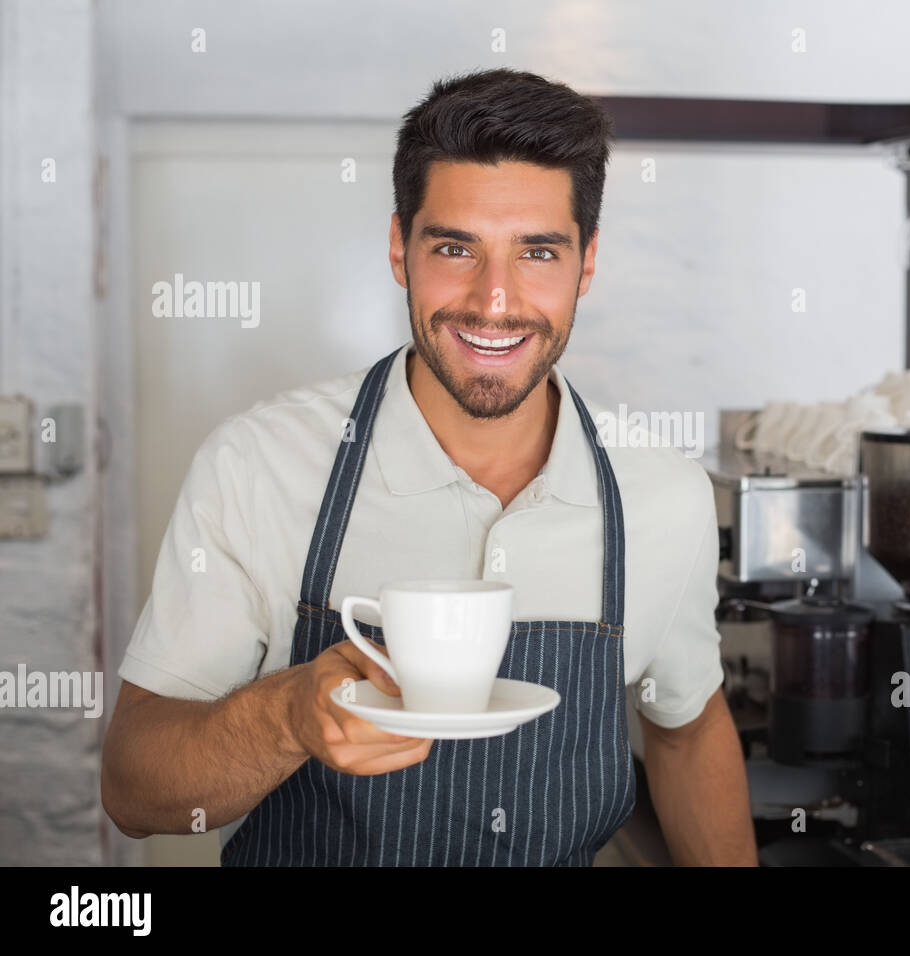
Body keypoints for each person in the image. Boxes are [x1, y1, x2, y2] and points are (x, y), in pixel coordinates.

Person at [101, 68, 757, 866]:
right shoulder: (259, 465)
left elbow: (687, 733)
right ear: (398, 249)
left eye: (538, 252)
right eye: (455, 247)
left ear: (585, 265)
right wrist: (286, 718)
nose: (493, 301)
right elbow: (134, 792)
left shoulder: (666, 497)